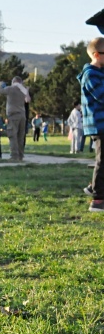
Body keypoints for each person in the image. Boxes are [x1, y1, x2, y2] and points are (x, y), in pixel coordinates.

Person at [78, 37, 104, 212]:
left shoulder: (99, 73)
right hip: (99, 124)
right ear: (96, 54)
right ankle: (98, 200)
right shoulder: (90, 74)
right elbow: (101, 96)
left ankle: (93, 187)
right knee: (103, 160)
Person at [0, 76, 30, 161]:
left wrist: (1, 85)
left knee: (13, 136)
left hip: (13, 115)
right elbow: (28, 100)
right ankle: (20, 156)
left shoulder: (10, 89)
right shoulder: (23, 90)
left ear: (13, 81)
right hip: (23, 115)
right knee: (20, 136)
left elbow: (0, 92)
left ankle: (14, 156)